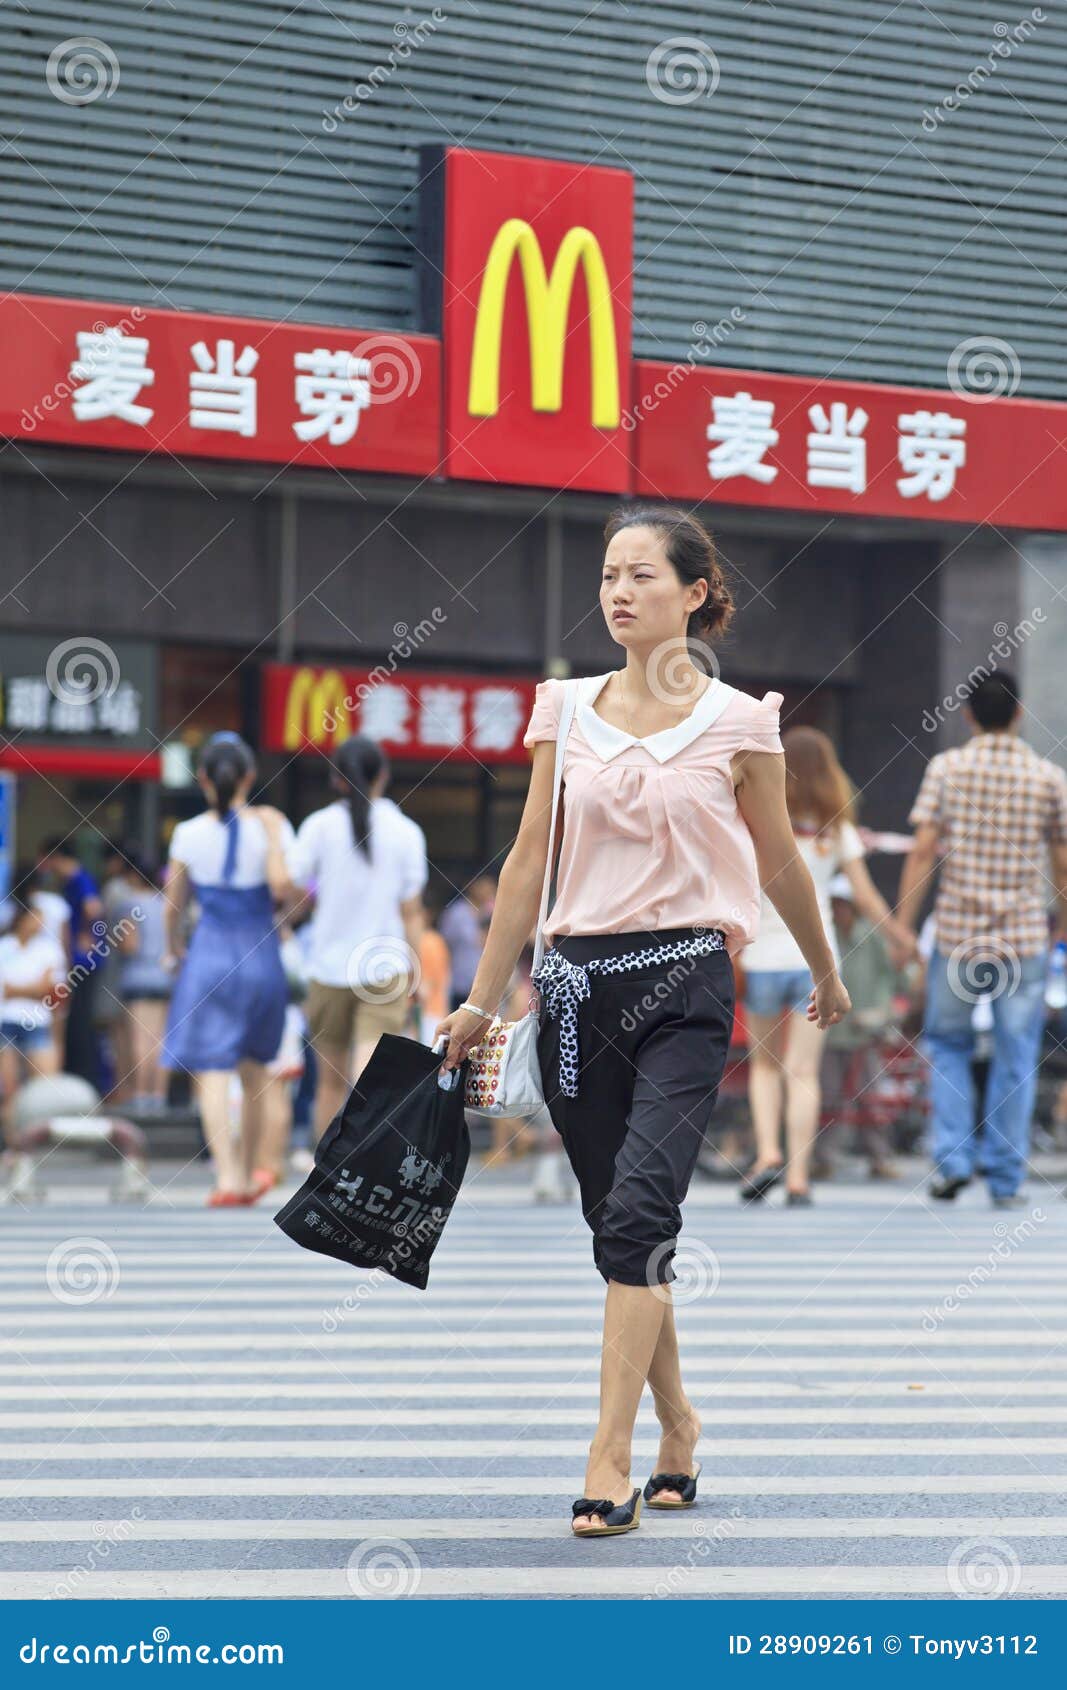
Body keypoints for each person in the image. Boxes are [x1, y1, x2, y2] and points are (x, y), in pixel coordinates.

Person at [434, 503, 852, 1538]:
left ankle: (605, 1457)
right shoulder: (562, 710)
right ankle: (677, 1422)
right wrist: (482, 1001)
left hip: (687, 983)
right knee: (617, 1227)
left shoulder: (740, 722)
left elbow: (775, 858)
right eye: (608, 575)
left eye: (641, 576)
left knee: (636, 1217)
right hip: (574, 990)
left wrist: (824, 967)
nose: (618, 591)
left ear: (696, 592)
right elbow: (527, 862)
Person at [897, 672, 1067, 1207]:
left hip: (957, 933)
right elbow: (1061, 863)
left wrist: (904, 924)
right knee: (1017, 1055)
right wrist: (1062, 921)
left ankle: (952, 1161)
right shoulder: (1047, 777)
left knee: (948, 1044)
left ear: (968, 715)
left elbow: (923, 850)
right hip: (1022, 938)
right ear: (1019, 712)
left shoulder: (946, 769)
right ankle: (1004, 1176)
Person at [738, 726, 915, 1205]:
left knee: (764, 1068)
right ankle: (798, 1178)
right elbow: (865, 895)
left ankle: (767, 1154)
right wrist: (901, 938)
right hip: (817, 964)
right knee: (804, 1073)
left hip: (762, 958)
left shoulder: (758, 821)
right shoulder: (837, 829)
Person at [160, 732, 297, 1207]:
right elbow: (290, 894)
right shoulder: (271, 827)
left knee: (212, 1070)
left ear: (202, 778)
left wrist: (174, 949)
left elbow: (173, 906)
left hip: (210, 955)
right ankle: (257, 1165)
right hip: (262, 955)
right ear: (249, 777)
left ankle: (229, 1176)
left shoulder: (187, 833)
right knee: (258, 1067)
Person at [290, 736, 427, 1149]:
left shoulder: (316, 827)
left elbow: (294, 892)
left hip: (326, 968)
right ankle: (365, 1164)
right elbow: (412, 912)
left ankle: (327, 1171)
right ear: (383, 775)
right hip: (384, 968)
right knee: (370, 1077)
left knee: (329, 1083)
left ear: (337, 780)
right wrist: (417, 974)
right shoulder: (406, 832)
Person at [817, 872, 912, 1180]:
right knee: (827, 1096)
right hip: (832, 1031)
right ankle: (823, 1158)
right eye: (834, 904)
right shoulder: (825, 936)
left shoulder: (871, 936)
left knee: (871, 1097)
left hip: (865, 1031)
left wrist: (881, 1012)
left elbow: (893, 978)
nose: (839, 910)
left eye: (843, 904)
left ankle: (879, 1157)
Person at [36, 836, 104, 1087]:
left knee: (80, 1021)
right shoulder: (72, 881)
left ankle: (86, 1079)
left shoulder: (80, 879)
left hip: (82, 962)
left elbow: (94, 909)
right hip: (78, 959)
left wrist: (90, 936)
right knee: (76, 1019)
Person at [0, 895, 64, 1148]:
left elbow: (50, 989)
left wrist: (19, 990)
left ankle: (41, 1144)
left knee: (45, 1086)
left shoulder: (50, 949)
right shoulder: (5, 945)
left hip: (38, 1022)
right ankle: (14, 1144)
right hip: (7, 1023)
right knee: (9, 1088)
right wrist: (34, 989)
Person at [114, 852, 172, 1111]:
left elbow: (130, 945)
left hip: (139, 976)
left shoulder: (130, 905)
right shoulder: (166, 903)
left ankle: (139, 1094)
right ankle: (158, 1095)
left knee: (139, 1039)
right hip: (165, 976)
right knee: (161, 1039)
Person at [439, 876, 496, 1013]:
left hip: (485, 987)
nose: (489, 889)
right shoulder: (457, 913)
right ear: (472, 885)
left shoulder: (491, 910)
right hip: (460, 983)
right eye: (484, 884)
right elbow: (444, 944)